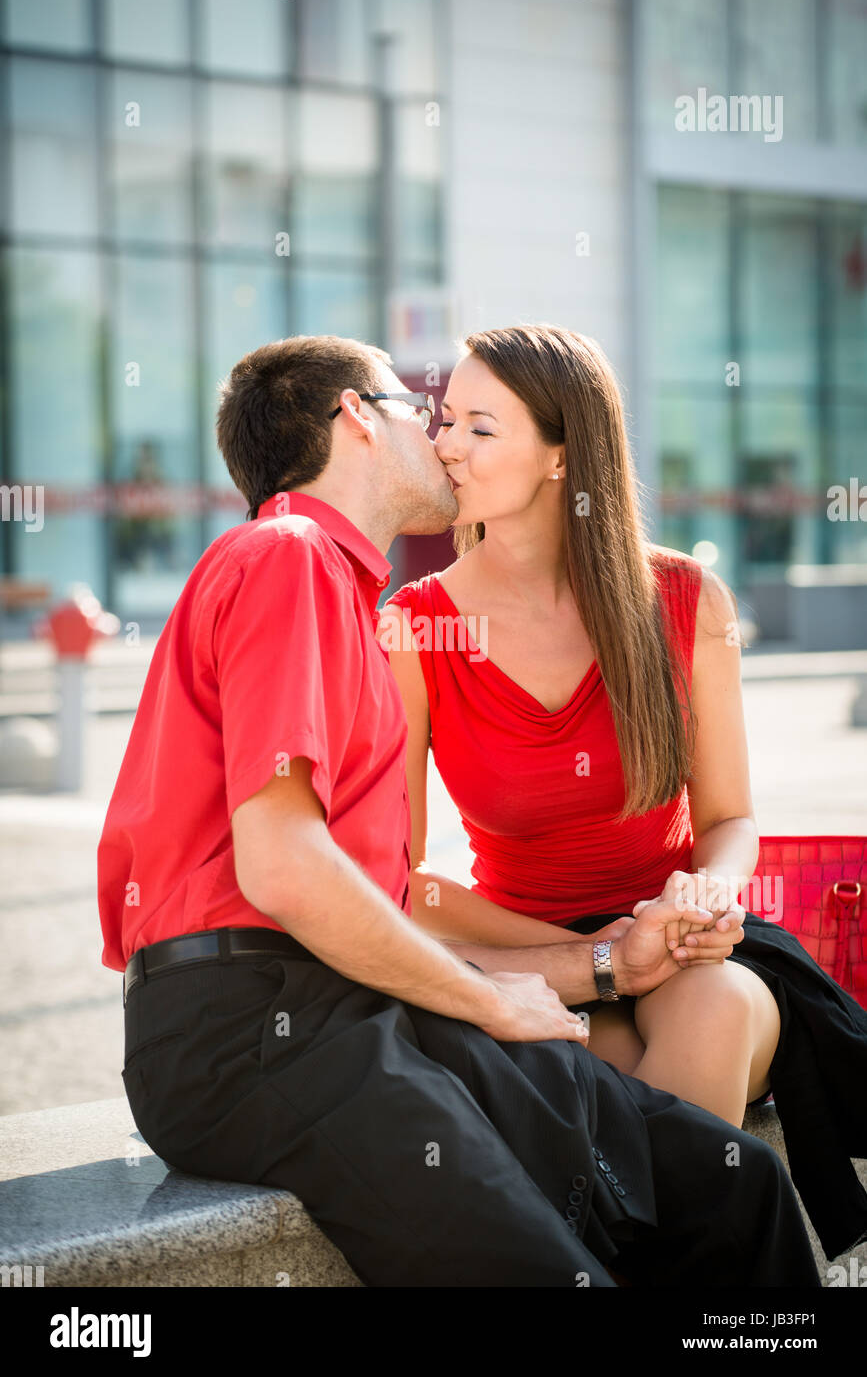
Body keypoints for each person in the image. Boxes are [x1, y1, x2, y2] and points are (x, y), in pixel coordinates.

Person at [97, 334, 821, 1288]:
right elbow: (284, 867)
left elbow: (383, 897)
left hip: (349, 1006)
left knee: (733, 1191)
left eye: (472, 423)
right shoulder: (292, 555)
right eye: (420, 408)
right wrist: (496, 998)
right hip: (252, 1025)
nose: (439, 438)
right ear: (356, 415)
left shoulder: (343, 593)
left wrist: (599, 963)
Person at [379, 322, 867, 1265]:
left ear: (562, 455)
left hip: (689, 941)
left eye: (480, 427)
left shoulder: (688, 601)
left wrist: (702, 894)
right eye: (445, 420)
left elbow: (727, 820)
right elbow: (398, 883)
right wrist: (596, 955)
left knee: (714, 1005)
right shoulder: (413, 629)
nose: (444, 445)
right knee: (629, 1088)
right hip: (531, 965)